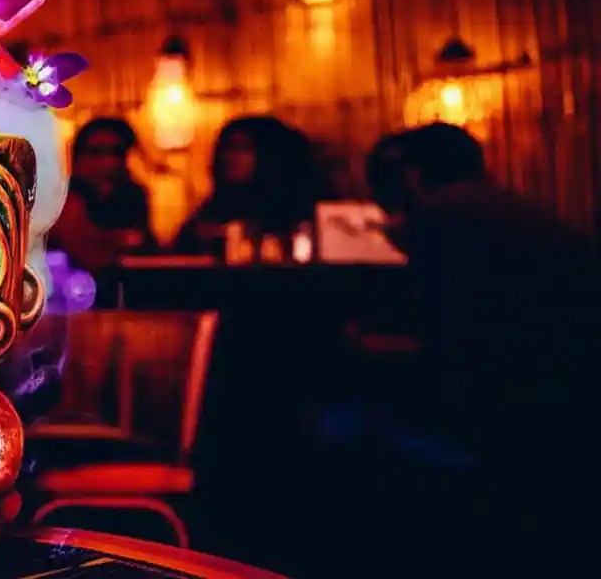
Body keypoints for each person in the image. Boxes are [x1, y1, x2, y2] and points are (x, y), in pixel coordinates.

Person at [363, 123, 596, 576]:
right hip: (568, 407)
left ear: (411, 175)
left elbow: (445, 339)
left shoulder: (442, 217)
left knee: (342, 424)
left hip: (499, 412)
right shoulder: (513, 209)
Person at [173, 115, 323, 258]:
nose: (229, 157)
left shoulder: (301, 215)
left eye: (243, 148)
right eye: (226, 148)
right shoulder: (210, 214)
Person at [49, 118, 152, 305]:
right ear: (78, 157)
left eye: (116, 152)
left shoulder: (132, 197)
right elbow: (88, 254)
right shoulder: (62, 197)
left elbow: (142, 249)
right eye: (97, 153)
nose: (108, 162)